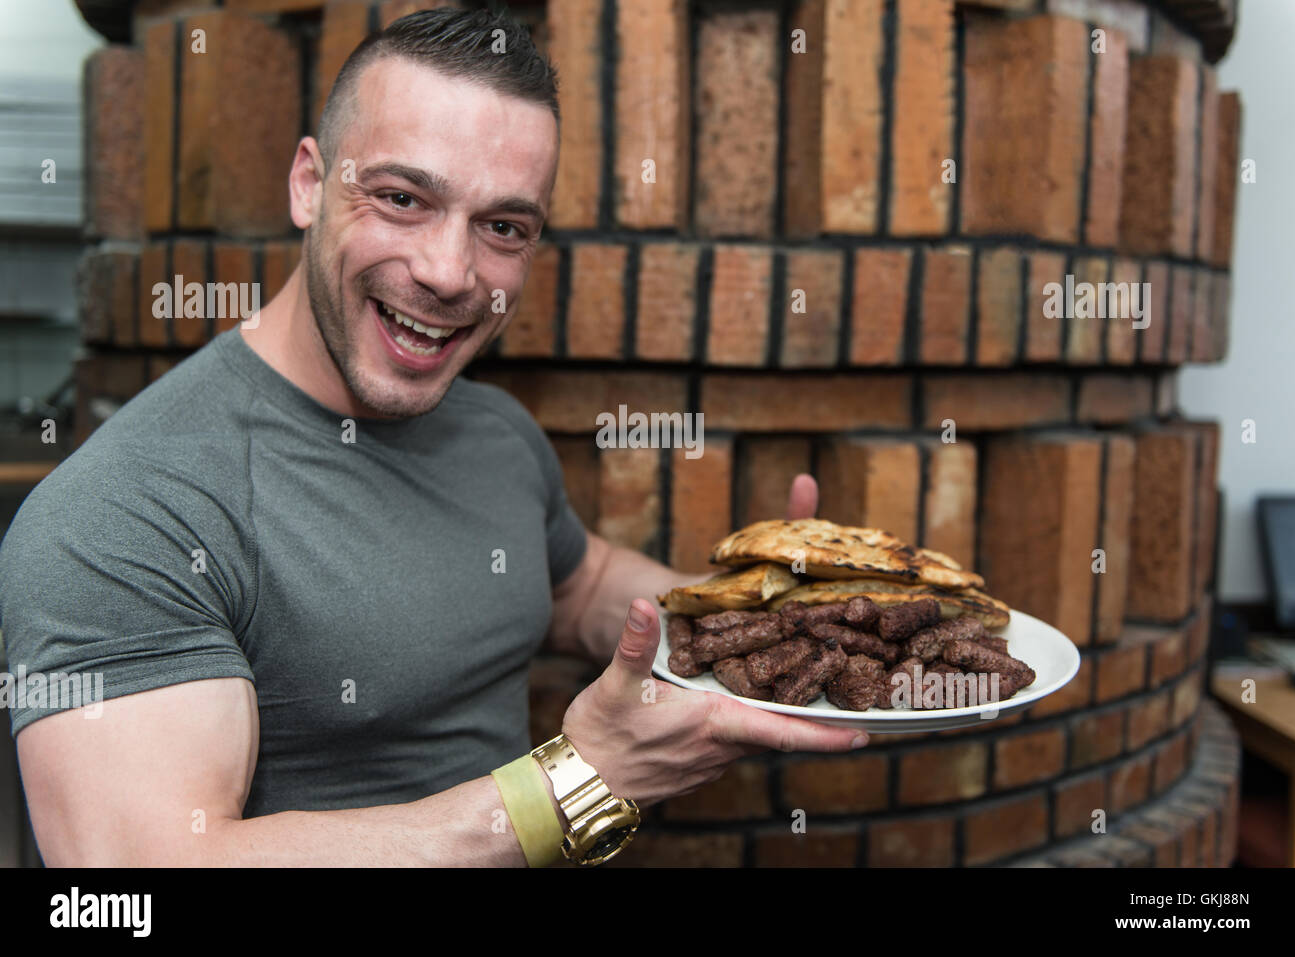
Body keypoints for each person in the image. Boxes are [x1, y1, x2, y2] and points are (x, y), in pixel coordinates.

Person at [0, 7, 866, 867]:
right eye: (403, 198)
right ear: (309, 183)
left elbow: (575, 586)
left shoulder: (495, 431)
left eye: (503, 228)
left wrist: (761, 616)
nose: (449, 273)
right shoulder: (121, 513)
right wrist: (572, 785)